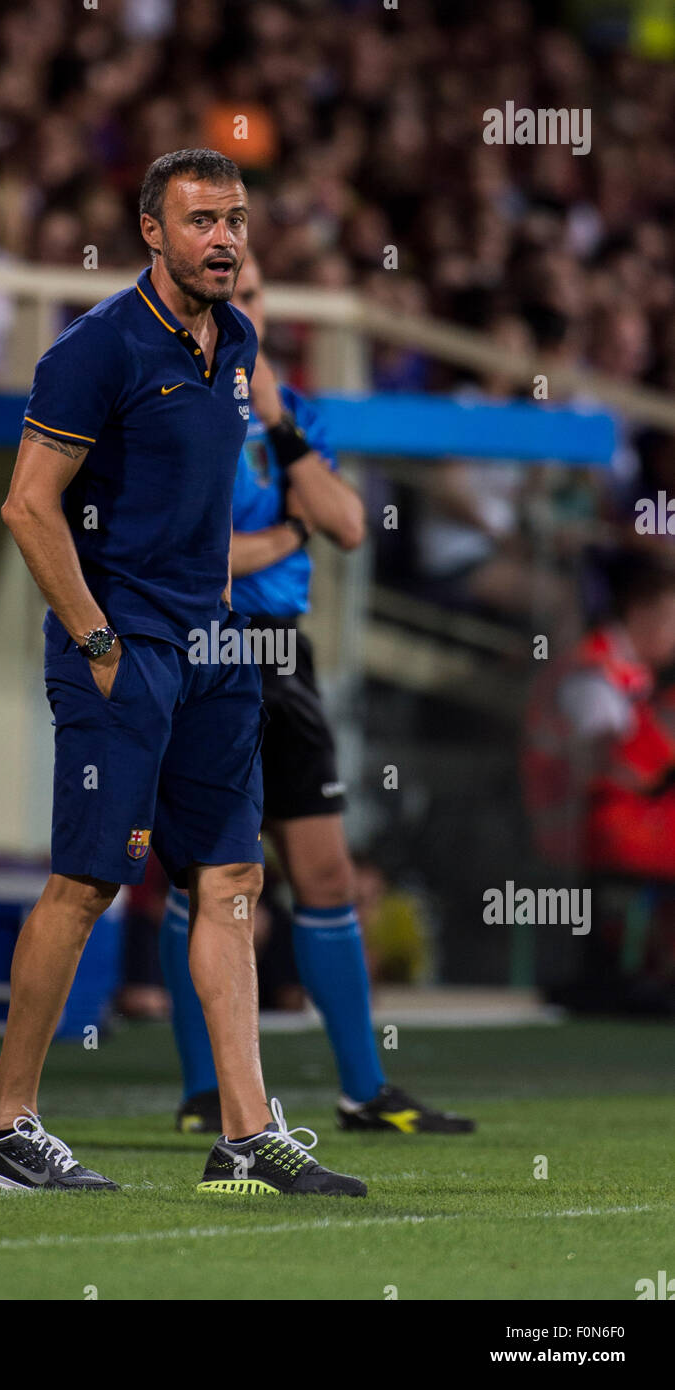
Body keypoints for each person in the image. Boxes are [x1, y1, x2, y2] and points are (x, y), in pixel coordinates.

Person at [0, 149, 365, 1199]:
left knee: (230, 879)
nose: (222, 239)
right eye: (199, 221)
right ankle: (2, 1126)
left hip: (215, 648)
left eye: (233, 220)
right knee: (87, 880)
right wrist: (95, 642)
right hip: (121, 646)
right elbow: (26, 506)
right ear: (151, 230)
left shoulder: (236, 340)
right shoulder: (95, 349)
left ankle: (243, 1135)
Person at [159, 254, 475, 1137]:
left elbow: (345, 522)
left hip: (281, 654)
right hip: (207, 649)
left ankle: (363, 1089)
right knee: (211, 875)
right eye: (235, 292)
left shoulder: (291, 413)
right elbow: (203, 560)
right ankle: (202, 1091)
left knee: (326, 869)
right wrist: (286, 529)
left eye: (257, 294)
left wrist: (282, 440)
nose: (245, 305)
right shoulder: (176, 405)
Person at [523, 561, 675, 879]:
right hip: (567, 834)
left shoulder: (627, 672)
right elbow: (613, 771)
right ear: (640, 611)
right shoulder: (596, 677)